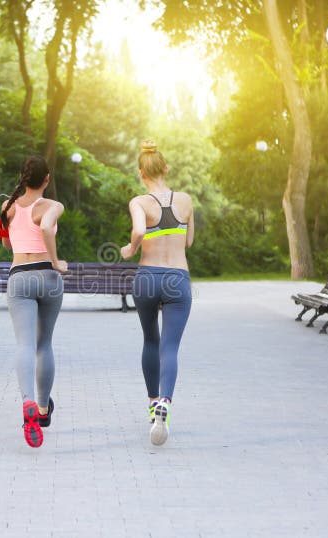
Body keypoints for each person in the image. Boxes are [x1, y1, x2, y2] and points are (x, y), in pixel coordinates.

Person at [120, 140, 194, 446]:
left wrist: (131, 247)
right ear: (165, 168)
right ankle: (166, 400)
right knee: (170, 346)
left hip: (148, 277)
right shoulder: (186, 201)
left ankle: (152, 403)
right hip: (177, 277)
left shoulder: (139, 202)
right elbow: (188, 242)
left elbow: (138, 231)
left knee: (151, 339)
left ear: (141, 173)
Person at [0, 155, 67, 448]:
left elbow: (6, 243)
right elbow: (46, 228)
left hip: (20, 276)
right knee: (44, 345)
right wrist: (55, 261)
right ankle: (41, 409)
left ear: (23, 177)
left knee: (24, 345)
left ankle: (26, 401)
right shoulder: (51, 206)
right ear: (47, 179)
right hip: (47, 276)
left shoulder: (8, 207)